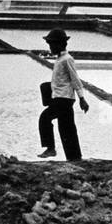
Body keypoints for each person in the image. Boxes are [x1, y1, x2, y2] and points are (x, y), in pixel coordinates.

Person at [38, 27, 88, 160]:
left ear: (60, 44)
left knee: (45, 118)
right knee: (67, 128)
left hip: (63, 99)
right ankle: (74, 157)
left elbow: (75, 79)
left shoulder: (67, 59)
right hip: (60, 97)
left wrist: (82, 98)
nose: (50, 47)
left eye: (52, 44)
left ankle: (50, 148)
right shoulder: (59, 59)